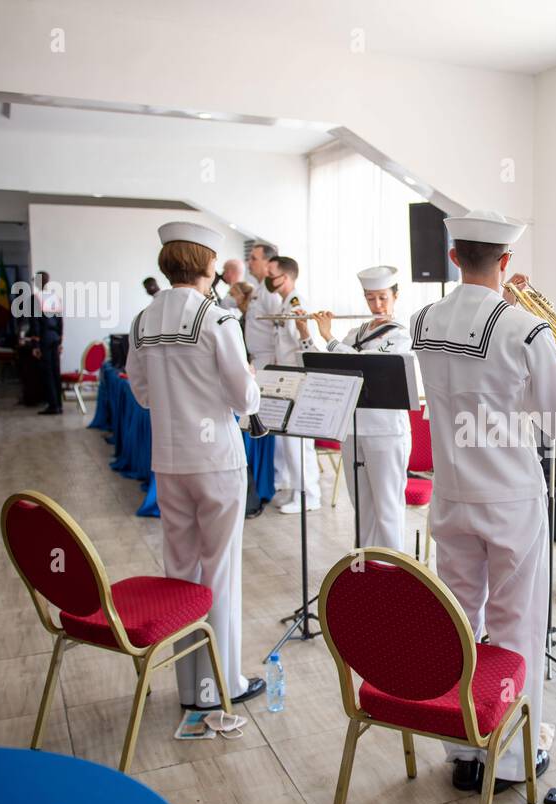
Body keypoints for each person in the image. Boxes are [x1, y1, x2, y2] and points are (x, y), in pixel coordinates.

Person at [412, 209, 556, 793]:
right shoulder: (525, 329)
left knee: (460, 619)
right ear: (505, 262)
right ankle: (511, 756)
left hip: (451, 493)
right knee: (517, 624)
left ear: (454, 258)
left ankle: (463, 747)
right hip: (512, 497)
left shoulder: (422, 320)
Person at [126, 221, 265, 710]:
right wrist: (249, 378)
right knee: (220, 571)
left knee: (180, 572)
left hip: (169, 459)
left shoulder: (143, 319)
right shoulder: (219, 318)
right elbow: (244, 398)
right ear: (208, 264)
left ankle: (191, 688)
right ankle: (224, 683)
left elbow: (141, 394)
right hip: (216, 461)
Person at [308, 265, 412, 549]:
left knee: (387, 507)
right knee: (361, 506)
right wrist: (307, 334)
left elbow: (363, 363)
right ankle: (367, 568)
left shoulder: (401, 335)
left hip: (386, 431)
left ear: (395, 296)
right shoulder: (356, 332)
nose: (377, 305)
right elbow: (330, 368)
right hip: (353, 428)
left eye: (382, 297)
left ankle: (395, 573)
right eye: (370, 298)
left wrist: (329, 339)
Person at [263, 255, 322, 514]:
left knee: (299, 442)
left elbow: (301, 344)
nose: (268, 277)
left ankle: (309, 495)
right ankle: (296, 490)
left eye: (271, 273)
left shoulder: (296, 304)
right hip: (285, 380)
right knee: (288, 441)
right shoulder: (285, 302)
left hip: (298, 380)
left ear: (285, 277)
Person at [32, 271, 64, 415]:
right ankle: (59, 404)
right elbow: (60, 320)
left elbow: (35, 322)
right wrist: (60, 340)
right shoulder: (54, 297)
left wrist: (36, 345)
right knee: (56, 372)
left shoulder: (35, 299)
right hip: (55, 337)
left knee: (48, 373)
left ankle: (52, 405)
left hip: (44, 337)